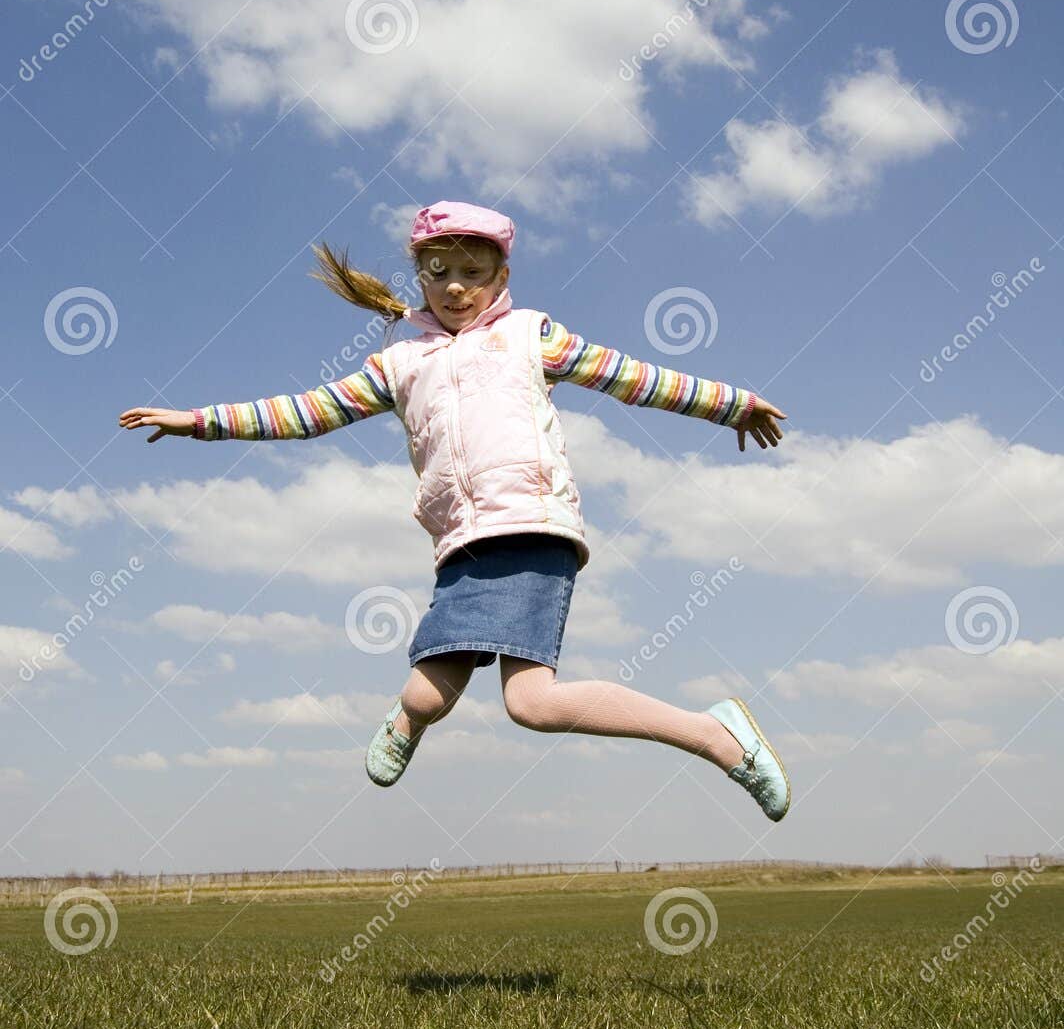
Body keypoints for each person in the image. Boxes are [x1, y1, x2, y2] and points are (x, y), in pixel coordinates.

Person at [117, 200, 791, 822]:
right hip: (461, 547)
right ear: (421, 275)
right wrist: (200, 422)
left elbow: (630, 377)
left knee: (531, 703)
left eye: (473, 273)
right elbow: (306, 412)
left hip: (530, 529)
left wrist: (730, 405)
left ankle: (714, 733)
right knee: (424, 696)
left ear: (502, 277)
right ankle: (408, 720)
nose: (456, 288)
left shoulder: (530, 336)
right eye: (439, 272)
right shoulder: (399, 363)